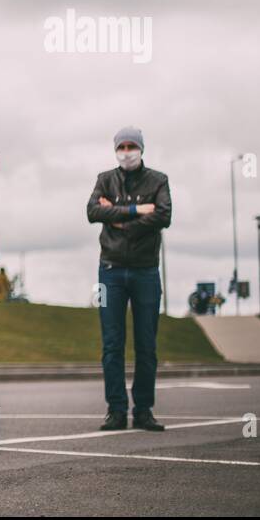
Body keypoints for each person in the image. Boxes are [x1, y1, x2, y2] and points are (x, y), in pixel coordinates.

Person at [86, 127, 172, 432]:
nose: (126, 150)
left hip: (146, 270)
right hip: (110, 271)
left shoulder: (158, 180)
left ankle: (144, 409)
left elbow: (163, 216)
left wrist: (119, 219)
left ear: (141, 148)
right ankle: (116, 410)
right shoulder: (104, 179)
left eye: (131, 145)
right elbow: (92, 211)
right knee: (112, 344)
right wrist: (136, 211)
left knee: (146, 344)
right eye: (121, 146)